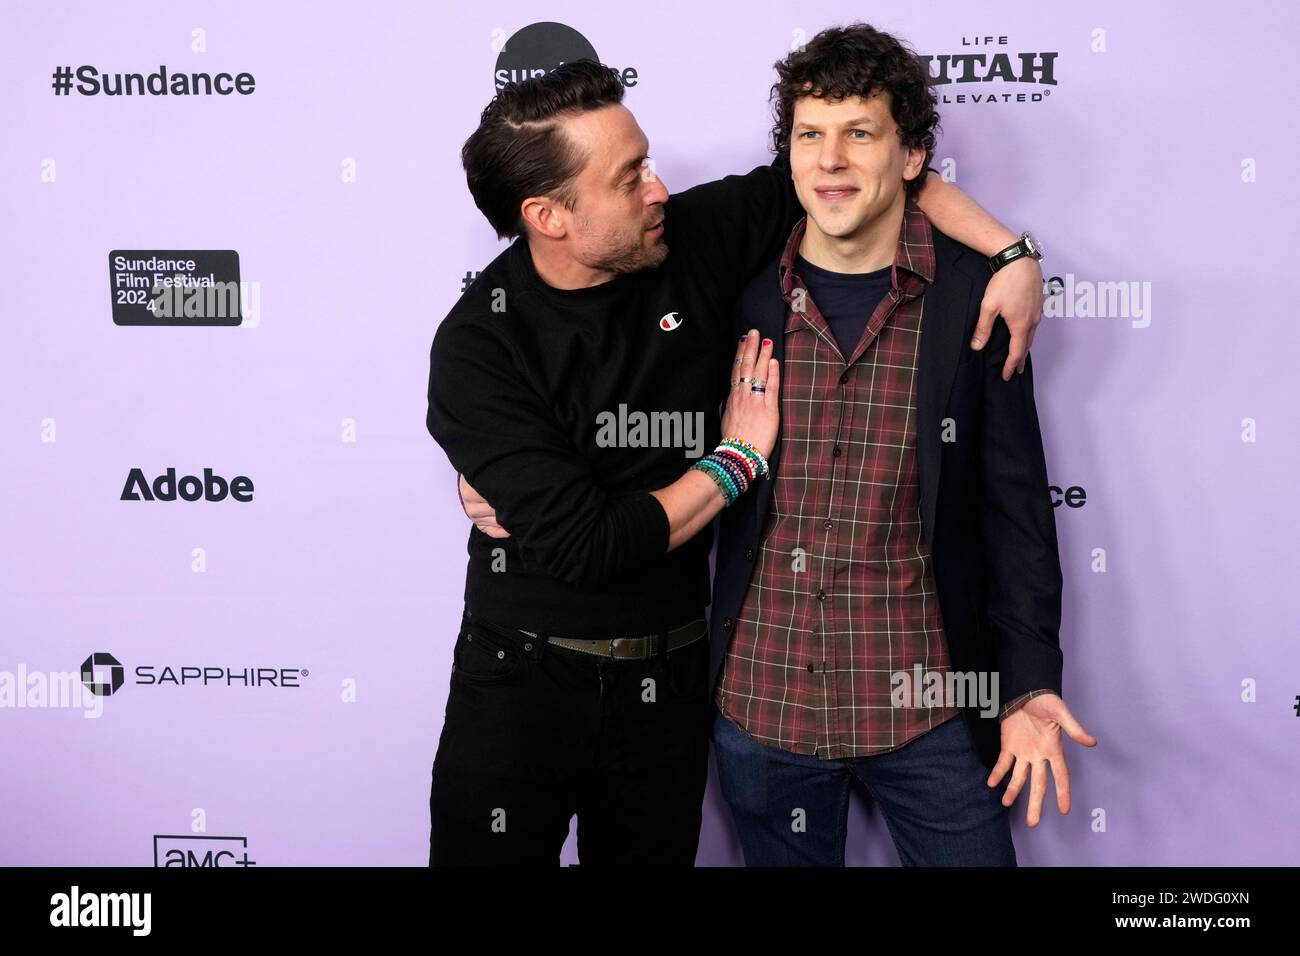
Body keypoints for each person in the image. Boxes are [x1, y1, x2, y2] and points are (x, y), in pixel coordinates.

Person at [428, 55, 1047, 865]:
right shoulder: (479, 343)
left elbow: (862, 176)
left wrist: (1012, 255)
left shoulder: (687, 237)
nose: (659, 188)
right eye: (629, 179)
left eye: (647, 162)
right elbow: (590, 545)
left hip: (673, 688)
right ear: (549, 215)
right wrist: (733, 462)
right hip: (522, 689)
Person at [706, 23, 1096, 867]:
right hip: (762, 709)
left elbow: (1016, 511)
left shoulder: (973, 304)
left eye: (860, 133)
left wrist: (1029, 682)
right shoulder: (737, 295)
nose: (831, 159)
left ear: (913, 154)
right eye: (811, 134)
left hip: (926, 709)